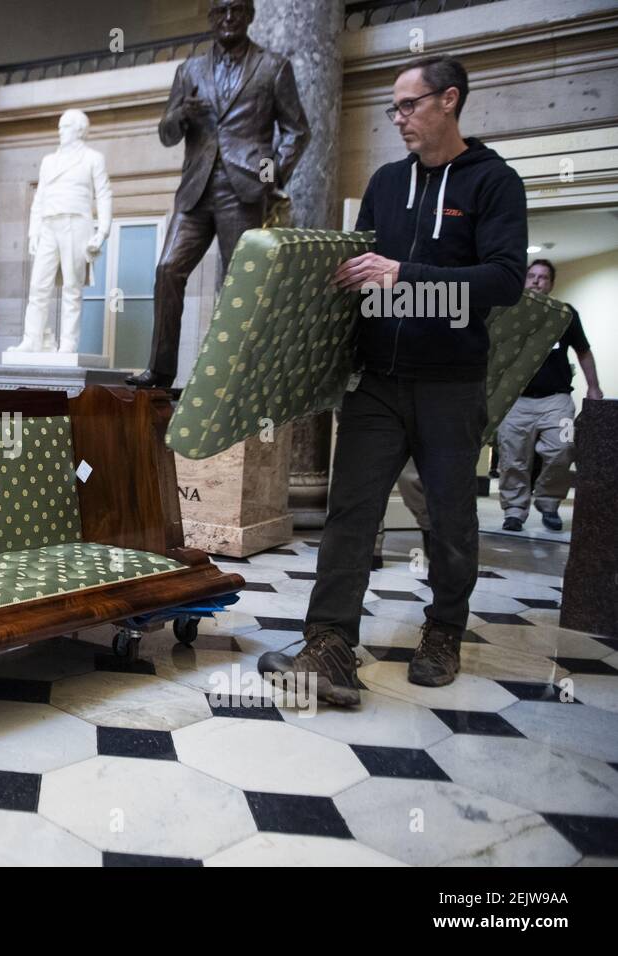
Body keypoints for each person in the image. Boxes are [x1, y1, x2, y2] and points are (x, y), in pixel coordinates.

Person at [259, 54, 528, 704]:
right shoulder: (385, 183)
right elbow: (360, 274)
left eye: (409, 105)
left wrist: (404, 276)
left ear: (449, 101)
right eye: (394, 108)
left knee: (450, 518)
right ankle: (328, 645)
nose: (398, 118)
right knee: (350, 513)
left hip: (451, 384)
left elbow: (505, 281)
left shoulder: (493, 184)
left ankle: (443, 630)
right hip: (376, 381)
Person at [126, 0, 309, 388]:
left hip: (243, 188)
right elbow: (166, 133)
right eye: (221, 10)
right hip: (196, 188)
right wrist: (180, 116)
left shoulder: (273, 67)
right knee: (167, 269)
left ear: (250, 16)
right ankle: (160, 372)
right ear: (210, 18)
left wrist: (270, 175)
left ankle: (236, 377)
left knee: (240, 281)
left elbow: (296, 131)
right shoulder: (188, 69)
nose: (229, 17)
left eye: (237, 10)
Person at [499, 259, 603, 532]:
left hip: (556, 401)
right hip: (515, 401)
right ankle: (514, 510)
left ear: (551, 284)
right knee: (513, 457)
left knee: (564, 448)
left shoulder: (565, 314)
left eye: (543, 277)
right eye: (531, 276)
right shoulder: (510, 311)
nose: (536, 281)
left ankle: (548, 502)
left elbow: (583, 351)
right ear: (523, 281)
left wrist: (593, 387)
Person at [8, 109, 112, 354]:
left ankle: (68, 343)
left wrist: (103, 231)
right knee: (37, 287)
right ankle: (32, 339)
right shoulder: (48, 161)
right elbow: (40, 198)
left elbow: (104, 193)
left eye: (65, 126)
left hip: (76, 224)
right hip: (49, 225)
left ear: (79, 130)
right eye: (60, 126)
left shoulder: (92, 158)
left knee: (72, 287)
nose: (60, 130)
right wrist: (33, 233)